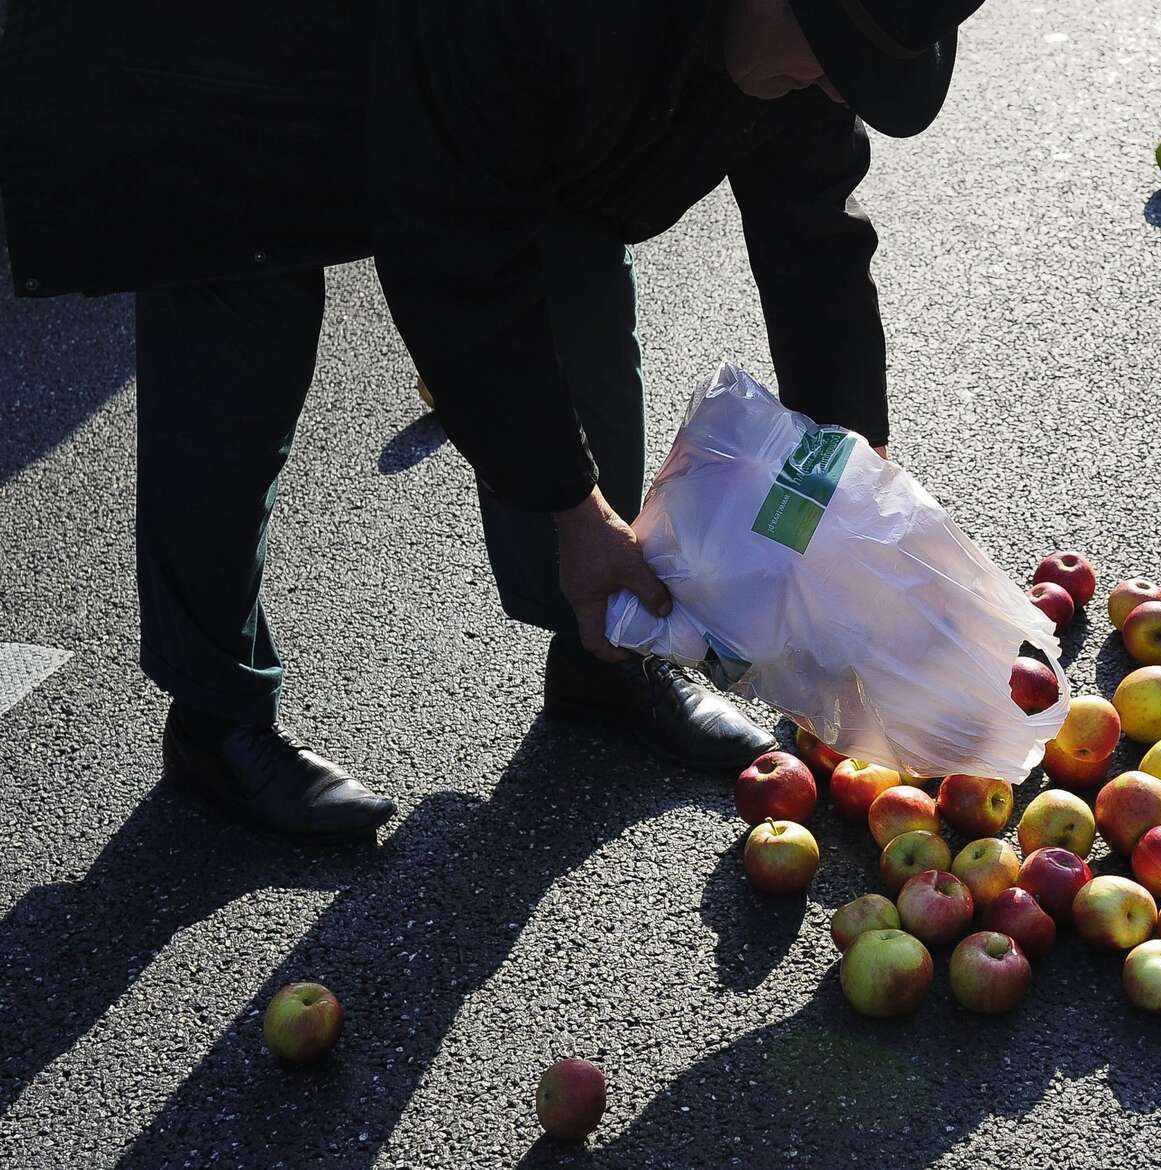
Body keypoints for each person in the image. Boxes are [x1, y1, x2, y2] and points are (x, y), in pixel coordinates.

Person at [0, 0, 988, 842]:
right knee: (233, 365)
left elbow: (813, 237)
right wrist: (571, 511)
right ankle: (214, 719)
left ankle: (604, 654)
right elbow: (454, 253)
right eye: (826, 52)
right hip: (236, 63)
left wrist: (847, 470)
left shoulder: (813, 45)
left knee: (580, 297)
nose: (830, 82)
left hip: (497, 90)